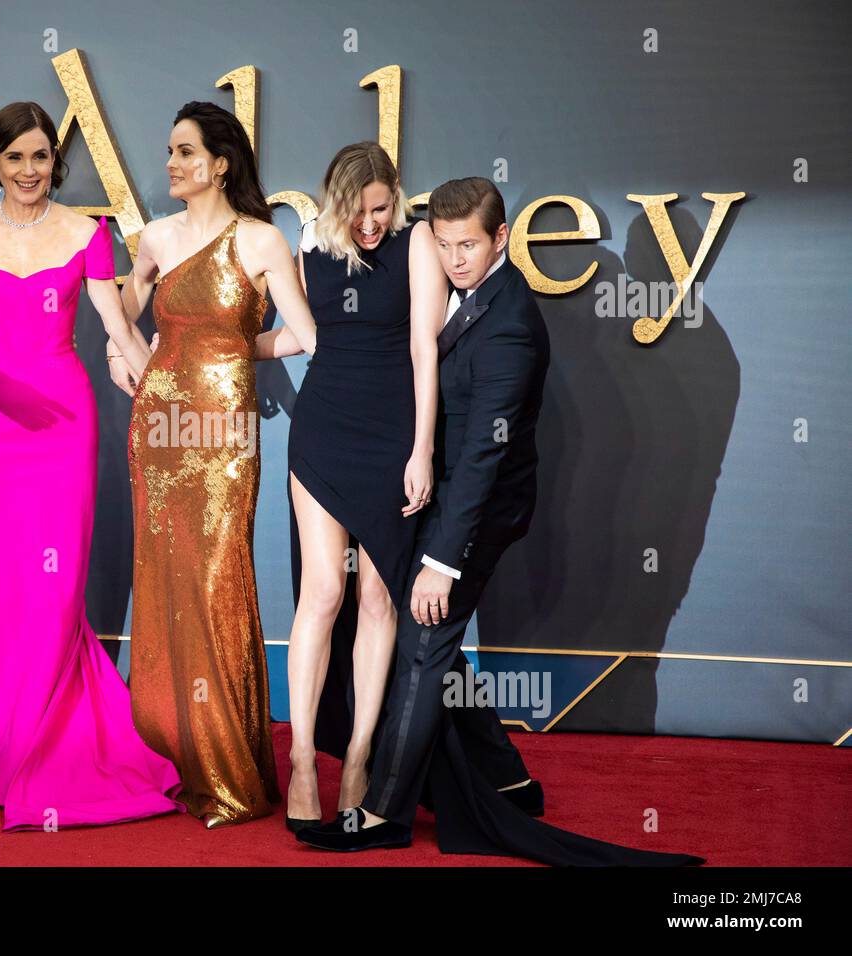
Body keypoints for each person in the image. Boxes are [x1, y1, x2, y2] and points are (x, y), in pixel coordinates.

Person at [297, 177, 705, 865]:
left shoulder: (511, 325)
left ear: (502, 239)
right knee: (438, 650)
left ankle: (381, 812)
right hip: (441, 493)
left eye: (469, 246)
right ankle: (508, 777)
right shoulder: (461, 291)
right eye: (445, 244)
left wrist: (441, 562)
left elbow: (485, 459)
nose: (455, 259)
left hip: (477, 512)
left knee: (422, 644)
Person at [0, 102, 184, 830]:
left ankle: (49, 749)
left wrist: (165, 397)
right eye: (15, 157)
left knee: (54, 592)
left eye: (42, 157)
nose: (29, 171)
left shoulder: (89, 234)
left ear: (57, 162)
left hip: (64, 425)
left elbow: (118, 327)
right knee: (2, 590)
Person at [110, 101, 317, 828]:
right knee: (163, 578)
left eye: (185, 150)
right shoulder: (155, 239)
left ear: (221, 163)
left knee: (215, 577)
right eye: (168, 150)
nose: (169, 162)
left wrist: (234, 352)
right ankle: (177, 750)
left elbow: (304, 332)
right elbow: (122, 313)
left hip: (223, 433)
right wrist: (121, 354)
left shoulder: (261, 240)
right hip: (158, 430)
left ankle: (229, 767)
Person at [282, 143, 445, 831]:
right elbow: (299, 337)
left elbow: (425, 347)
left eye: (382, 208)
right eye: (359, 211)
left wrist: (422, 449)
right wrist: (206, 346)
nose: (371, 223)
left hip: (391, 437)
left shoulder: (418, 242)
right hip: (322, 430)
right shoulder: (306, 247)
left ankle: (356, 757)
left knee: (379, 598)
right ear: (335, 202)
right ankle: (297, 757)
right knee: (323, 591)